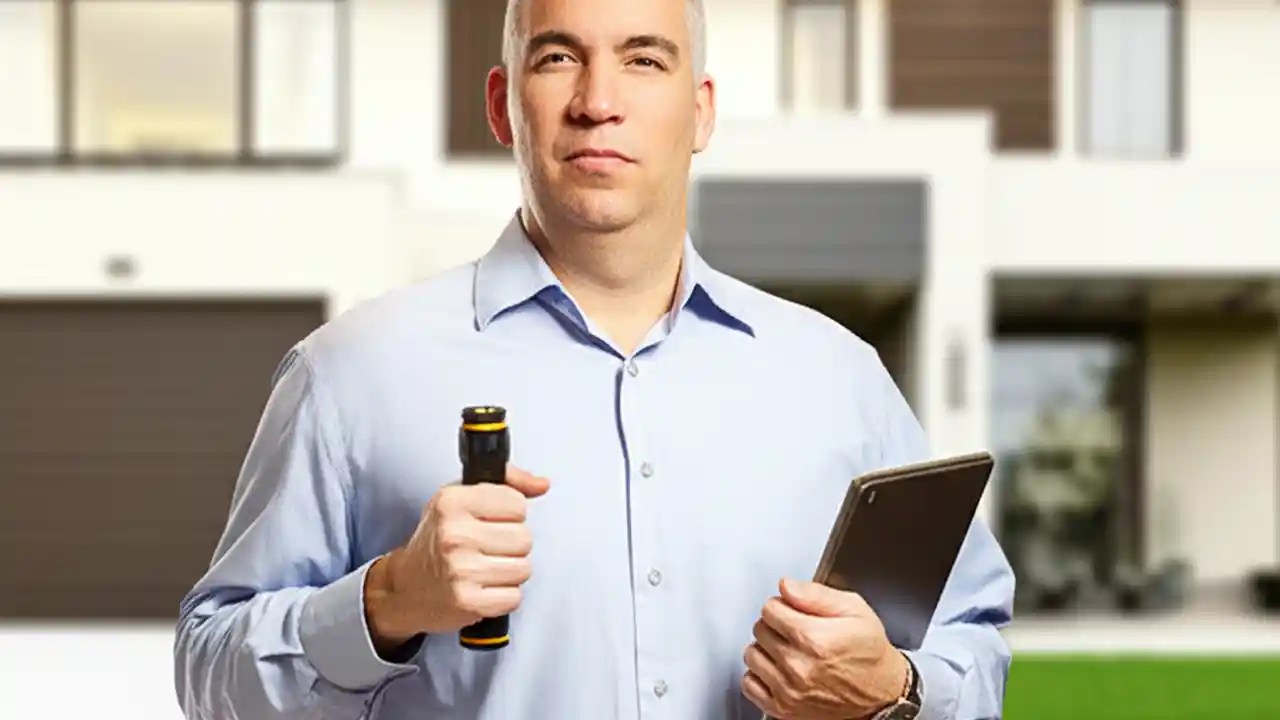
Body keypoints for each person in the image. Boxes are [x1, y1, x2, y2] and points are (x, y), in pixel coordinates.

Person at [173, 0, 1015, 717]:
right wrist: (386, 600)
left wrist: (892, 689)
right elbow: (208, 669)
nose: (598, 101)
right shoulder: (349, 374)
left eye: (644, 59)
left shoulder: (841, 380)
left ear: (702, 111)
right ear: (504, 106)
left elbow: (972, 639)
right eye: (558, 57)